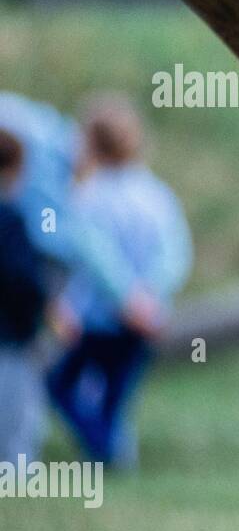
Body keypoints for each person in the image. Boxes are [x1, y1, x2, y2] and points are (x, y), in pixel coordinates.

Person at [44, 94, 192, 468]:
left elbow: (97, 257)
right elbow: (176, 252)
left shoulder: (89, 196)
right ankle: (113, 449)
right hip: (146, 321)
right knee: (115, 394)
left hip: (101, 318)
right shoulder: (157, 195)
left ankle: (106, 451)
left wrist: (127, 298)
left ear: (90, 142)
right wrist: (151, 297)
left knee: (60, 384)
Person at [0, 128, 51, 463]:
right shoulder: (10, 219)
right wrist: (37, 315)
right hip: (9, 337)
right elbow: (23, 280)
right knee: (15, 421)